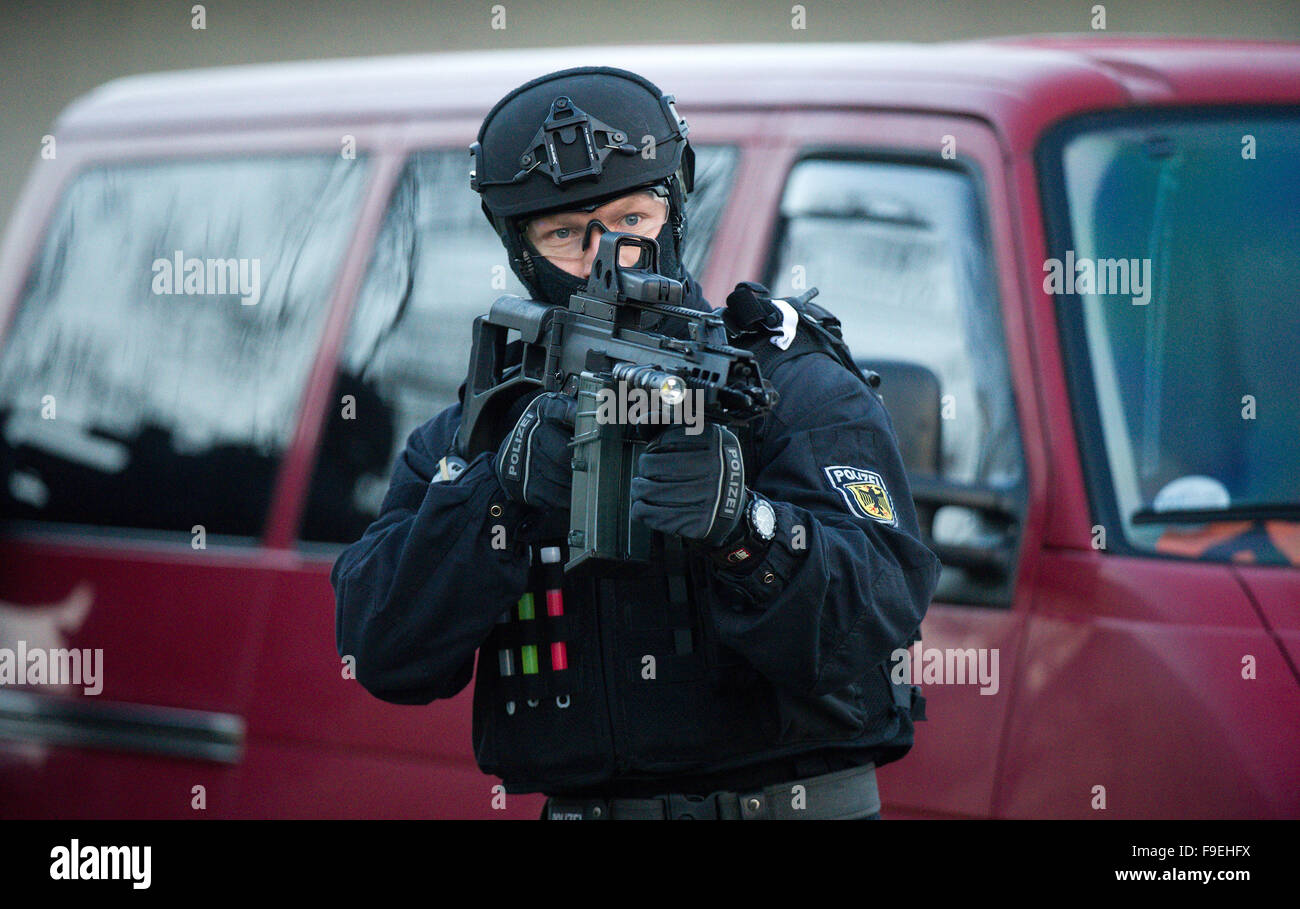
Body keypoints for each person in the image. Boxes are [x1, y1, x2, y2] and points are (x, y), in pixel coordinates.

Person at [332, 66, 941, 820]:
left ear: (674, 211)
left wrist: (745, 530)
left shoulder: (793, 386)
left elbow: (879, 624)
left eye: (631, 219)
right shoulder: (487, 425)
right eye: (564, 234)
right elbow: (381, 648)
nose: (605, 258)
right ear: (520, 253)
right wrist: (500, 493)